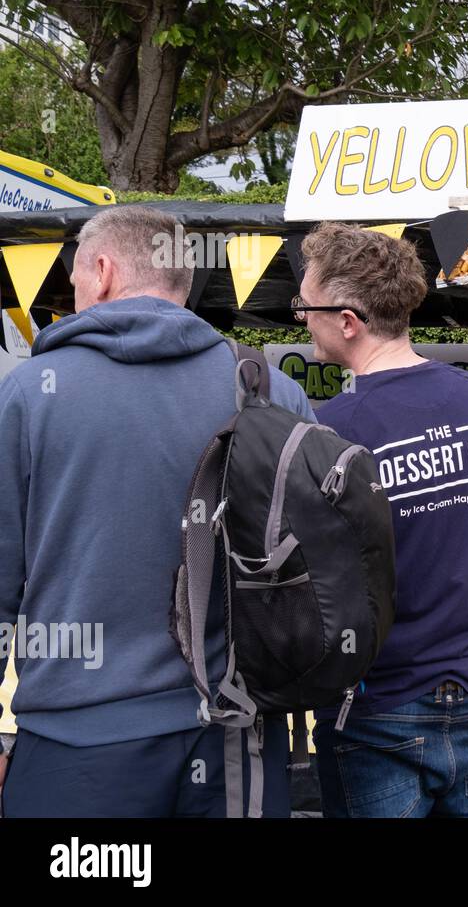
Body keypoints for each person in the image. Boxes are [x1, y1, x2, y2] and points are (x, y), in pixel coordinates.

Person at [0, 206, 315, 817]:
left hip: (79, 745)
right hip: (238, 744)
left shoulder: (28, 394)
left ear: (102, 268)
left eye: (74, 280)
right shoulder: (271, 390)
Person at [299, 222, 468, 818]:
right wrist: (456, 517)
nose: (301, 319)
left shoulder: (329, 429)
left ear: (348, 320)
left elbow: (308, 573)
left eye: (304, 307)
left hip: (377, 706)